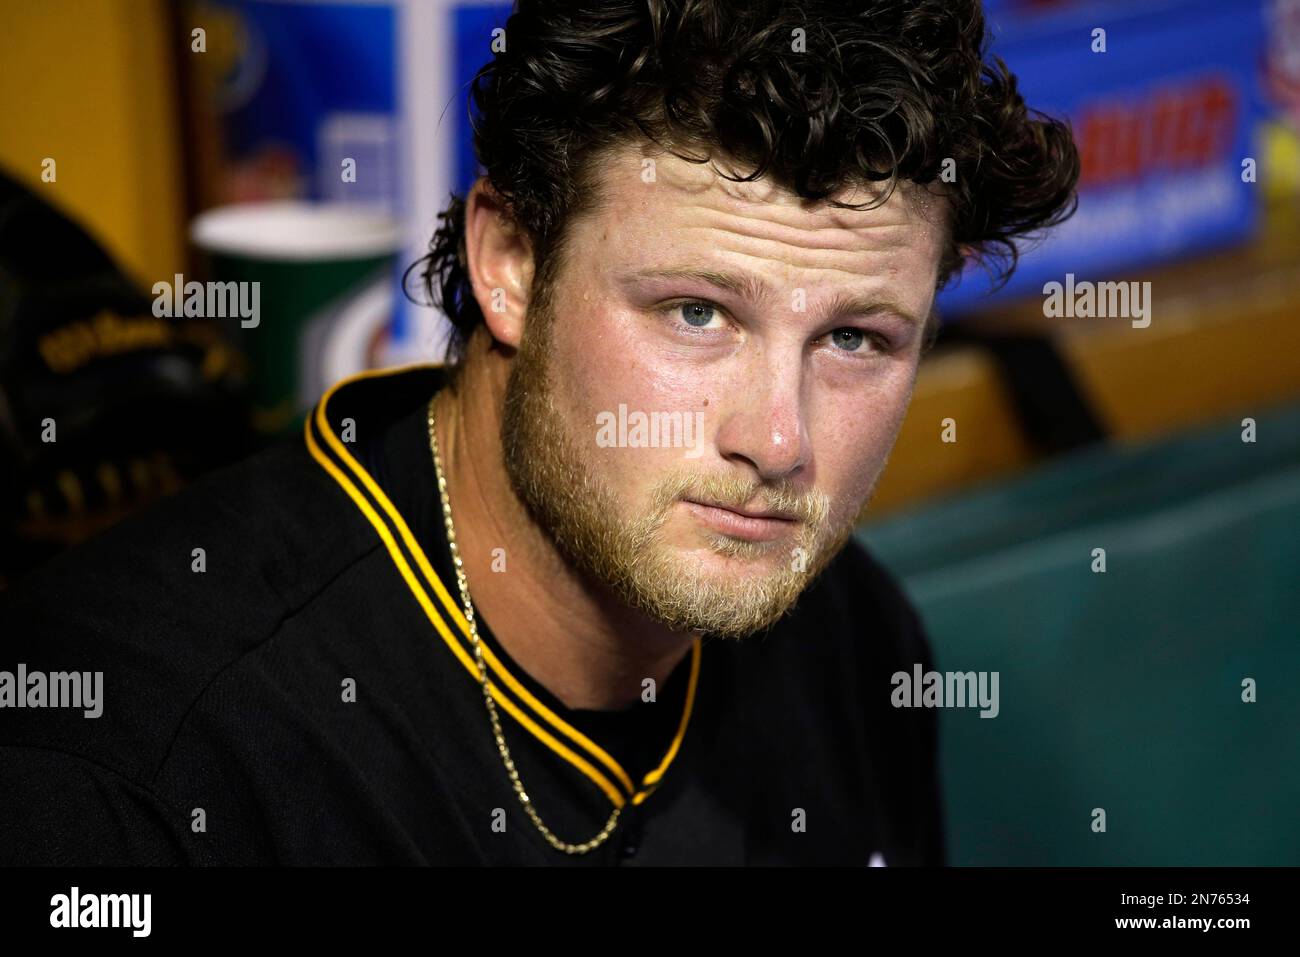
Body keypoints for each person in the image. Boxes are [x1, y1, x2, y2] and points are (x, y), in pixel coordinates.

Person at [0, 0, 1077, 865]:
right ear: (509, 263)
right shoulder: (132, 768)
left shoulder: (852, 636)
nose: (779, 442)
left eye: (854, 339)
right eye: (696, 313)